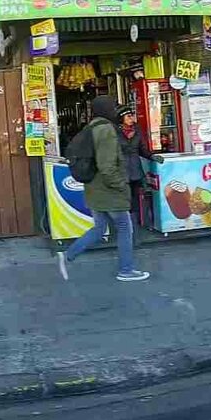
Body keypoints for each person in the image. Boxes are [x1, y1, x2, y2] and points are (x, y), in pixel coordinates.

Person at [57, 96, 149, 282]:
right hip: (109, 191)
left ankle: (68, 255)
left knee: (99, 228)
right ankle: (126, 270)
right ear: (107, 109)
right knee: (124, 228)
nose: (115, 111)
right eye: (113, 107)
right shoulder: (105, 130)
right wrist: (121, 185)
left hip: (94, 189)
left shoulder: (90, 127)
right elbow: (107, 166)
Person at [116, 105, 152, 226]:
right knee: (124, 200)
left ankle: (134, 226)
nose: (132, 118)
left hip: (135, 170)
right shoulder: (115, 131)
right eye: (128, 116)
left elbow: (142, 149)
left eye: (132, 115)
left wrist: (151, 156)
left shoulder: (137, 130)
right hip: (122, 171)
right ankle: (124, 225)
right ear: (121, 119)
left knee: (135, 199)